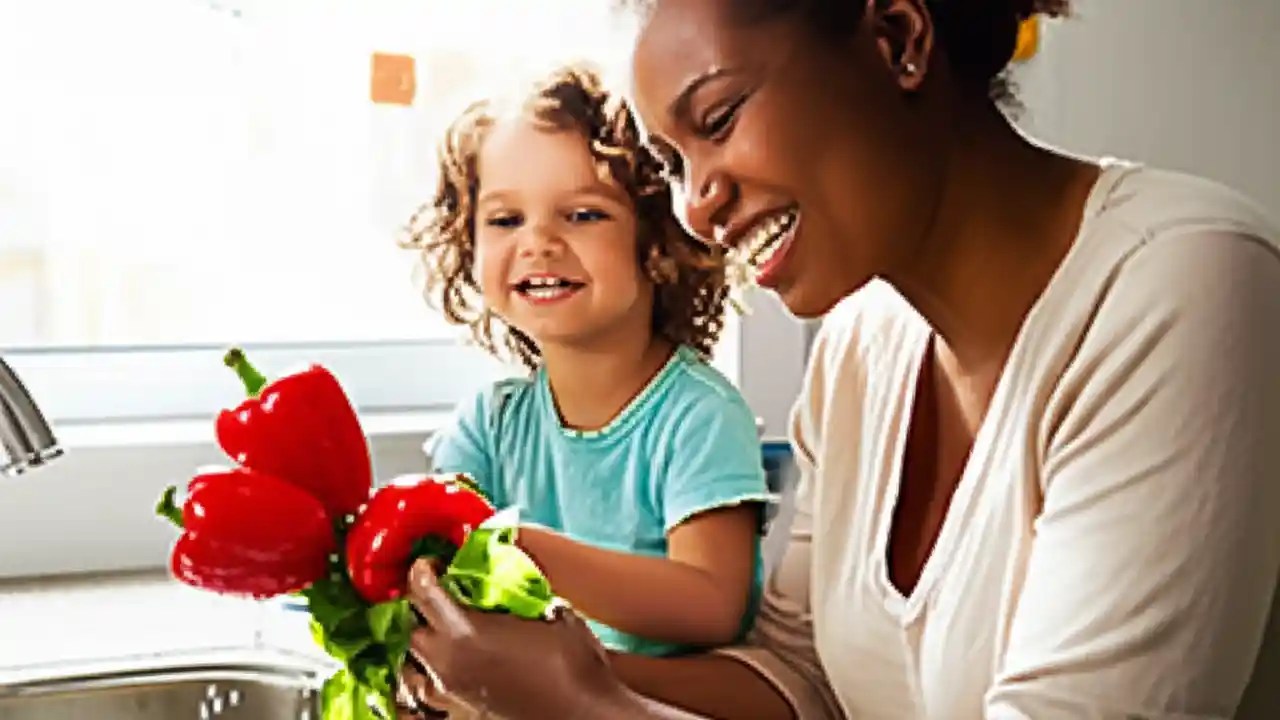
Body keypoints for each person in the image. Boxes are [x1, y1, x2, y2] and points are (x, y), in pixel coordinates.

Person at [397, 1, 1280, 718]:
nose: (698, 206)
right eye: (672, 161)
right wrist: (546, 675)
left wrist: (587, 705)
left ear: (897, 39)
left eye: (720, 118)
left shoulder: (1182, 281)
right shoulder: (863, 343)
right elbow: (799, 683)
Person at [396, 62, 772, 714]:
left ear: (657, 244)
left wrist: (522, 549)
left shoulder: (699, 416)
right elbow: (439, 584)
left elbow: (713, 605)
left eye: (581, 214)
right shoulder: (487, 427)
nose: (539, 242)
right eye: (506, 219)